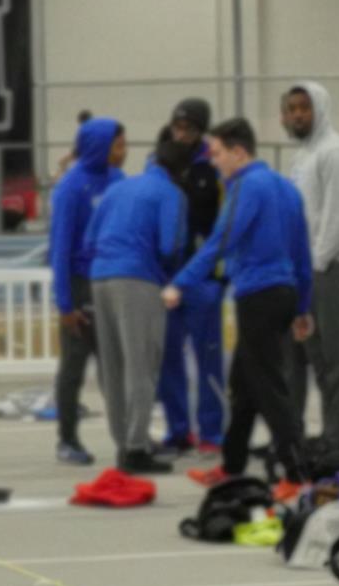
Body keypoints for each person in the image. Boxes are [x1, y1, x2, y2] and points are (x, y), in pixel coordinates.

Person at [169, 119, 313, 492]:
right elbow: (302, 253)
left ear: (238, 152)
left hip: (259, 295)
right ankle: (232, 464)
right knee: (244, 385)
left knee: (268, 386)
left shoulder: (247, 186)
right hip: (282, 295)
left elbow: (222, 240)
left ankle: (296, 475)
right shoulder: (286, 188)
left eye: (216, 154)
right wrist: (303, 307)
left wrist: (181, 283)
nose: (213, 162)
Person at [84, 128, 189, 475]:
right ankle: (135, 448)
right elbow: (170, 245)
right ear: (180, 172)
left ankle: (123, 442)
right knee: (142, 365)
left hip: (100, 276)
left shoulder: (118, 187)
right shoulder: (170, 192)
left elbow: (89, 238)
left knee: (113, 368)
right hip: (138, 278)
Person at [282, 82, 339, 447]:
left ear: (319, 108)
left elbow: (335, 218)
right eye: (291, 108)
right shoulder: (302, 156)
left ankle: (337, 435)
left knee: (334, 357)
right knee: (306, 354)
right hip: (306, 267)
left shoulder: (335, 152)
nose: (297, 114)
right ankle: (303, 432)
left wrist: (313, 267)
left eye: (304, 107)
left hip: (332, 268)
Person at [48, 118, 127, 464]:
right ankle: (67, 439)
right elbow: (60, 248)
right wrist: (65, 303)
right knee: (74, 366)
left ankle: (129, 438)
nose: (124, 153)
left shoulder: (119, 182)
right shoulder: (71, 188)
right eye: (118, 146)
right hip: (80, 285)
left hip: (110, 281)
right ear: (99, 146)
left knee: (117, 366)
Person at [157, 99, 225, 457]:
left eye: (189, 128)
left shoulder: (212, 167)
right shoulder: (160, 163)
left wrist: (217, 277)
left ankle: (212, 432)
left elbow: (223, 227)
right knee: (168, 356)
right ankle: (178, 430)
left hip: (202, 279)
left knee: (208, 358)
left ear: (201, 131)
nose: (181, 134)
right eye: (177, 126)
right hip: (168, 278)